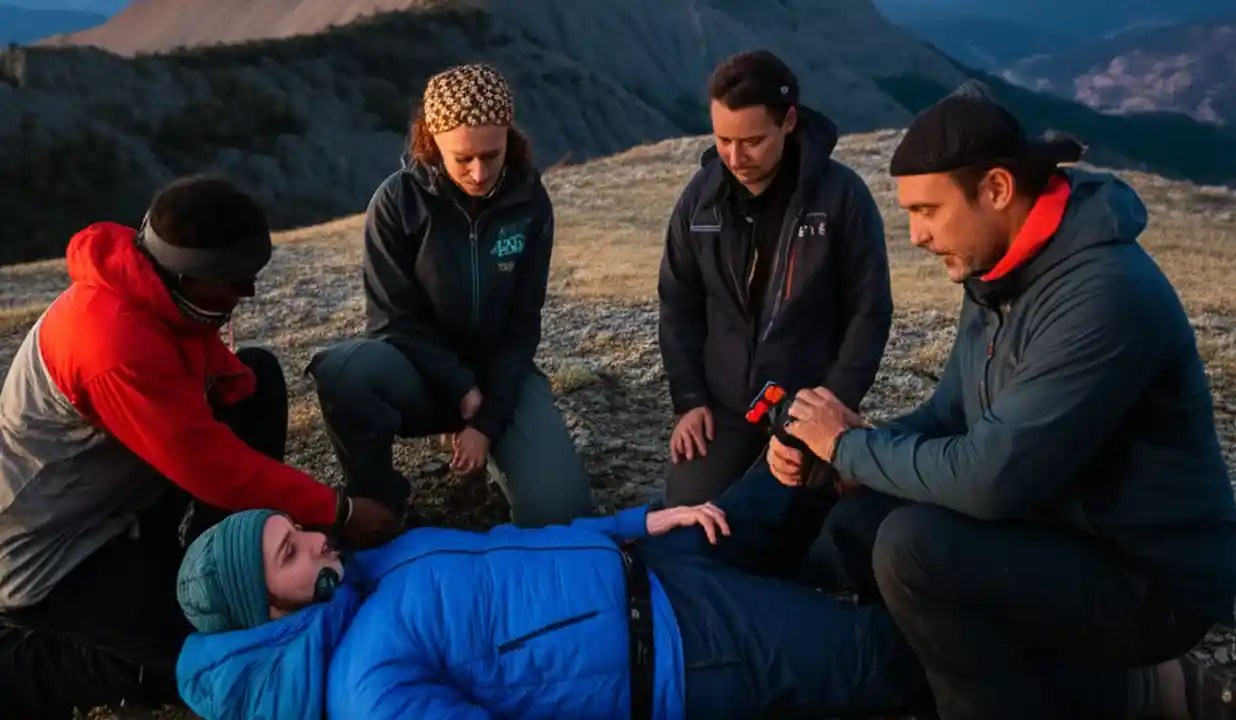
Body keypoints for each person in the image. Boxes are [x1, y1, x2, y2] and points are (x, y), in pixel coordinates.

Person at [776, 81, 1236, 719]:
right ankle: (1084, 689)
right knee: (859, 522)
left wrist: (850, 448)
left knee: (912, 550)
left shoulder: (1103, 294)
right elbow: (948, 416)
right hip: (1059, 528)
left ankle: (1093, 692)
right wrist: (845, 463)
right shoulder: (997, 269)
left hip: (1147, 580)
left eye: (928, 210)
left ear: (996, 191)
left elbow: (991, 480)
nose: (916, 235)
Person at [0, 176, 401, 718]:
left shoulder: (151, 286)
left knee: (254, 376)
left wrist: (225, 377)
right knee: (202, 652)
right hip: (53, 554)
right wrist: (339, 510)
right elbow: (214, 470)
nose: (247, 296)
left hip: (118, 491)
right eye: (235, 284)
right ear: (185, 274)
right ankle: (21, 667)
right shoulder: (113, 345)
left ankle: (210, 558)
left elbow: (197, 366)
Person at [172, 472, 934, 720]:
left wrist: (639, 521)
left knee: (799, 470)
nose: (315, 540)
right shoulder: (368, 691)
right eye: (289, 555)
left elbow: (517, 550)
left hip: (656, 562)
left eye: (295, 531)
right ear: (268, 613)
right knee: (889, 661)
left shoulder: (371, 574)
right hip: (684, 653)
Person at [308, 63, 593, 528]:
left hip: (499, 375)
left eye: (492, 155)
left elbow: (523, 326)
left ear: (509, 139)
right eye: (463, 159)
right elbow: (392, 322)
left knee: (561, 512)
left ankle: (503, 455)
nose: (479, 172)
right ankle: (378, 504)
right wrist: (460, 385)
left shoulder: (530, 202)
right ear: (431, 143)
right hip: (418, 372)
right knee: (344, 371)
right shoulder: (396, 203)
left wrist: (486, 420)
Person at [657, 49, 893, 508]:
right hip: (723, 408)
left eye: (752, 141)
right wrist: (689, 399)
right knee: (687, 515)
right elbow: (677, 301)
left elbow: (869, 311)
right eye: (723, 140)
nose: (734, 156)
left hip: (808, 408)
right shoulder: (699, 200)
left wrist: (834, 406)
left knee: (803, 532)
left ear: (788, 121)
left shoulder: (842, 198)